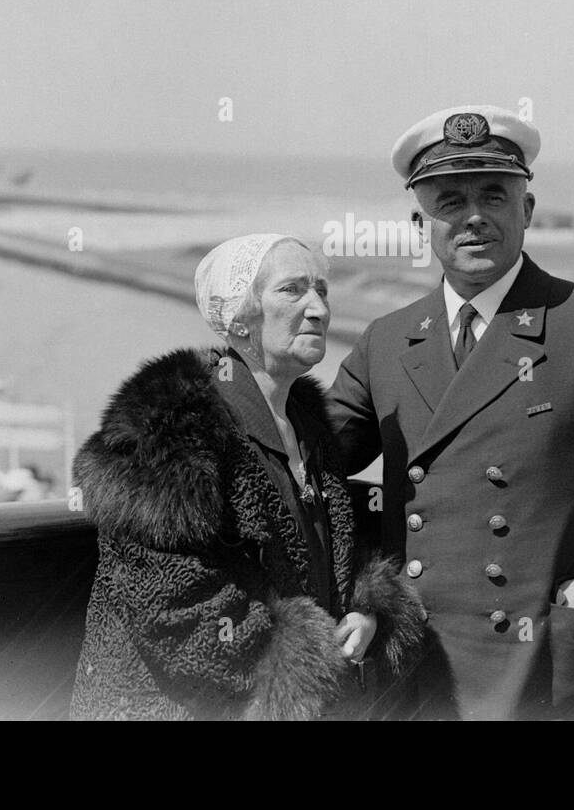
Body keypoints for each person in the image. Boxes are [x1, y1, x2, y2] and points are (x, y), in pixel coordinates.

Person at [327, 106, 574, 720]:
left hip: (548, 671)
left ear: (527, 211)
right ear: (420, 223)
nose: (474, 215)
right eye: (449, 201)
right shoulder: (387, 340)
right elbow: (311, 464)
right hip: (417, 670)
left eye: (494, 195)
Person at [71, 233, 424, 720]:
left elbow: (329, 559)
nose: (318, 307)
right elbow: (174, 612)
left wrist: (365, 611)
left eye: (322, 289)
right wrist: (304, 656)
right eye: (292, 290)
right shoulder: (169, 432)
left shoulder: (309, 429)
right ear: (237, 315)